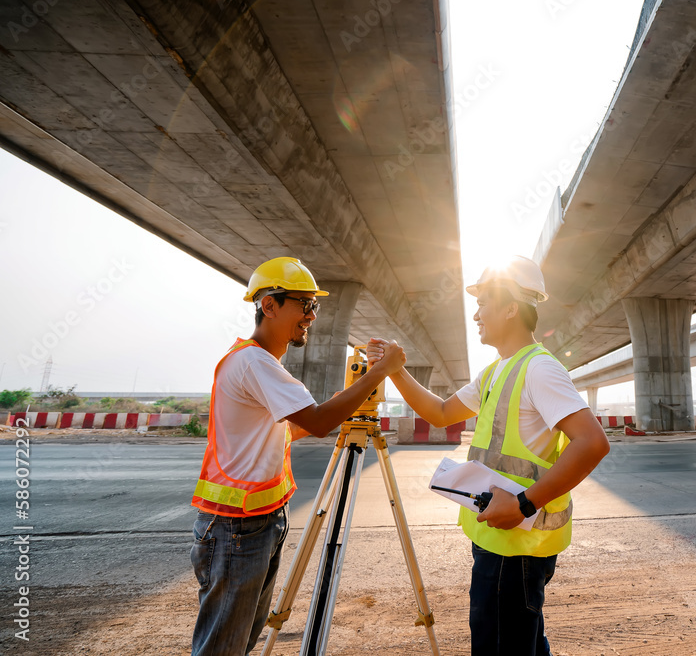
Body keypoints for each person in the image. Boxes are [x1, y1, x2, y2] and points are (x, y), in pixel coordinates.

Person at [369, 256, 610, 656]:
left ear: (512, 307)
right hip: (498, 536)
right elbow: (442, 413)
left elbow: (593, 443)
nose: (477, 314)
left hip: (516, 545)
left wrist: (523, 503)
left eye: (484, 303)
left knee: (500, 646)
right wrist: (396, 370)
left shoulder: (539, 369)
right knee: (522, 643)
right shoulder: (498, 370)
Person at [190, 256, 404, 656]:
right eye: (302, 304)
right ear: (268, 305)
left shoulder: (258, 362)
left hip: (256, 525)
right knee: (223, 648)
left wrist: (347, 404)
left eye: (314, 305)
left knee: (238, 643)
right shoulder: (254, 361)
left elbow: (292, 429)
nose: (310, 315)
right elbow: (320, 423)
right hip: (237, 530)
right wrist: (380, 373)